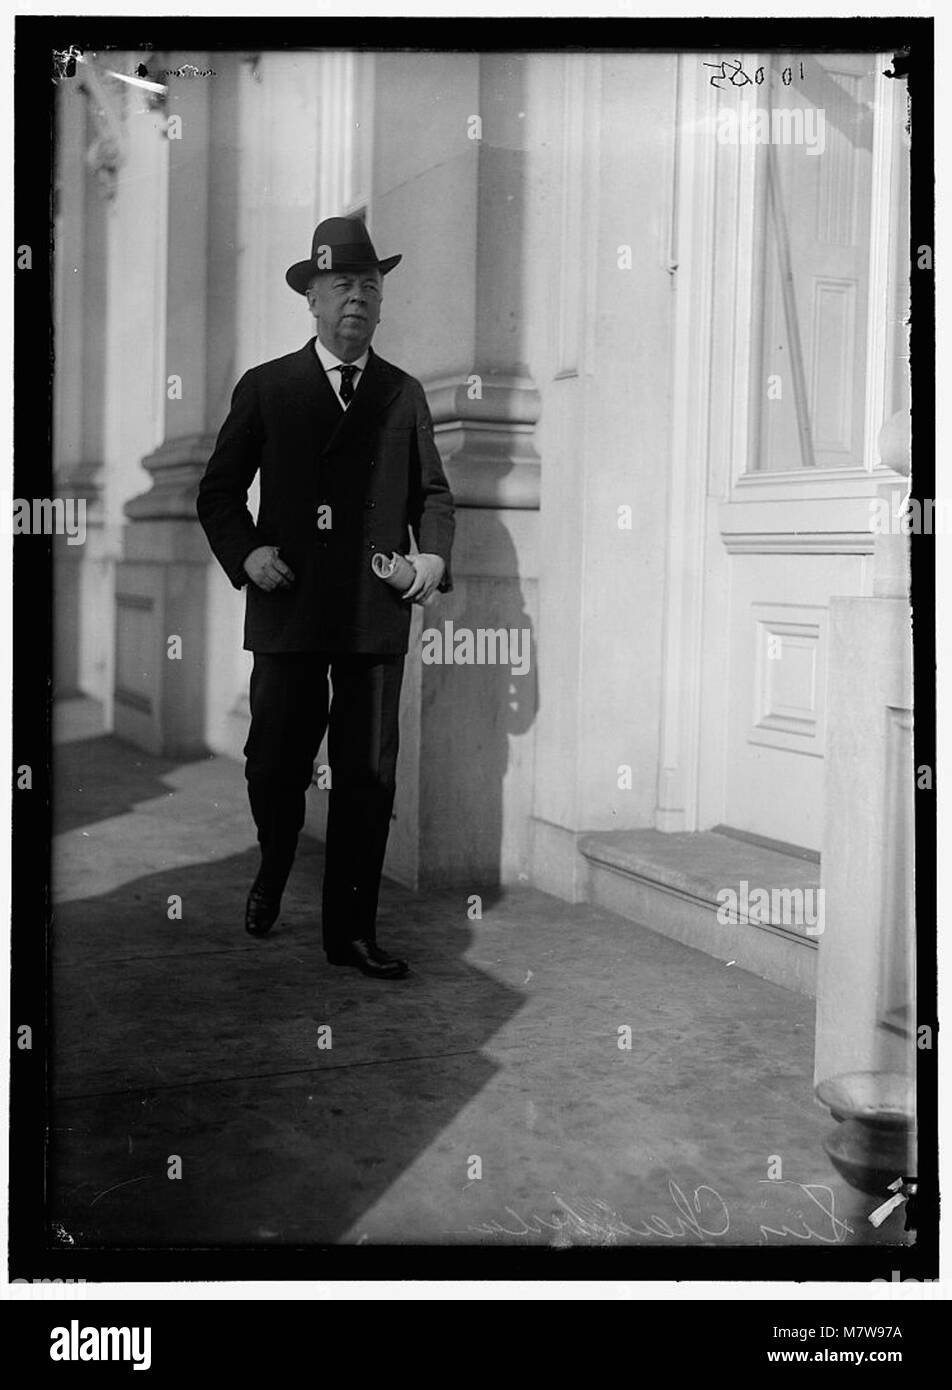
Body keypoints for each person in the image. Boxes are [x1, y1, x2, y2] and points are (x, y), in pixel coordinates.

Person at [197, 217, 455, 980]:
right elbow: (217, 492)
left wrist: (428, 561)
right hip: (290, 611)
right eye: (341, 285)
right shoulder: (269, 387)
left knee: (367, 777)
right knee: (274, 765)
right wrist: (249, 554)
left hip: (374, 617)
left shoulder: (402, 393)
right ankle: (275, 861)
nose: (357, 299)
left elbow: (433, 496)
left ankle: (351, 934)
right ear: (311, 298)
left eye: (370, 286)